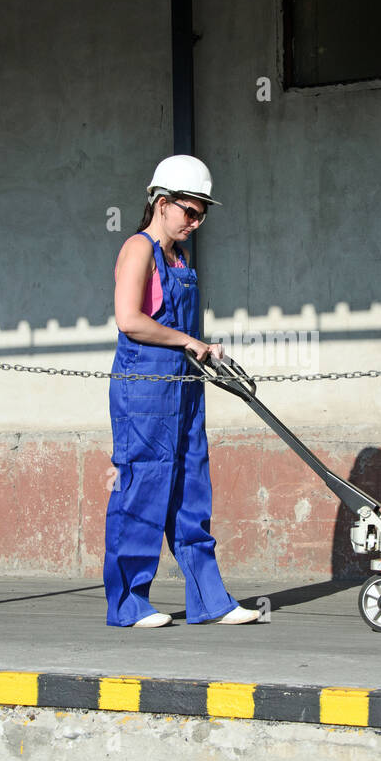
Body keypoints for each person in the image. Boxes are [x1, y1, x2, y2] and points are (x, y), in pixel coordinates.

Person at [104, 155, 261, 628]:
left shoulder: (181, 259)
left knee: (192, 488)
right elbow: (129, 319)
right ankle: (129, 603)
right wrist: (190, 341)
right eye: (190, 212)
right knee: (143, 488)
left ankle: (209, 600)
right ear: (162, 202)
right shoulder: (139, 249)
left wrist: (202, 355)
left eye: (202, 214)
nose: (196, 222)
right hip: (145, 387)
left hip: (186, 386)